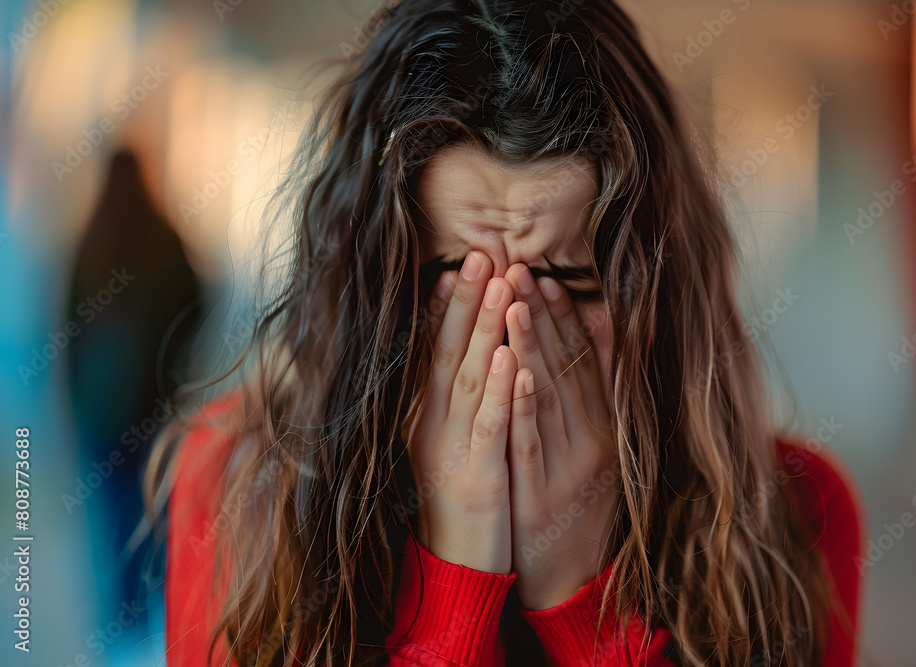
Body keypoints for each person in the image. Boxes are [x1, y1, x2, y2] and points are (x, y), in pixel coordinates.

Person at [146, 0, 864, 665]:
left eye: (565, 285)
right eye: (452, 280)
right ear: (374, 286)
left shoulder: (797, 512)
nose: (507, 339)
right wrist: (453, 585)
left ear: (655, 290)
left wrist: (584, 602)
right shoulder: (239, 487)